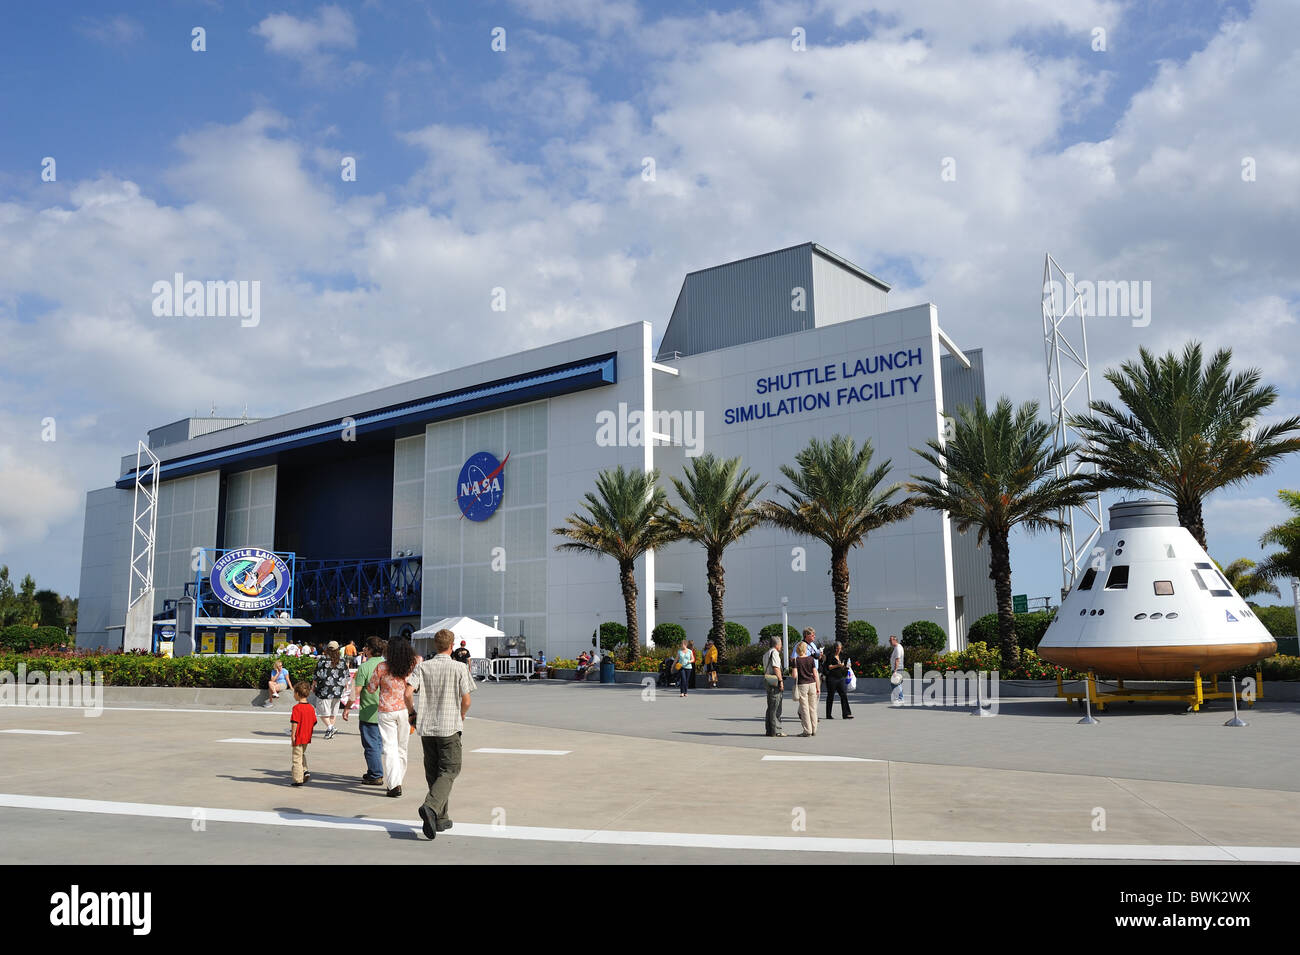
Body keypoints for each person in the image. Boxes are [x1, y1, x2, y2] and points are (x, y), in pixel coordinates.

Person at [407, 628, 474, 840]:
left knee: (434, 772)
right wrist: (461, 715)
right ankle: (431, 806)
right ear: (452, 645)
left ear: (435, 645)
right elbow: (467, 700)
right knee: (450, 770)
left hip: (427, 727)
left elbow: (408, 692)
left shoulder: (423, 666)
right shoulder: (459, 668)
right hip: (449, 726)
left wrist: (412, 713)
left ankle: (441, 818)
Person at [368, 635, 417, 798]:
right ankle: (397, 782)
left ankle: (394, 784)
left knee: (389, 748)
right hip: (404, 710)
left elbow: (371, 688)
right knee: (402, 748)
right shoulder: (410, 666)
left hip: (386, 710)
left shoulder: (381, 667)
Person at [343, 636, 386, 784]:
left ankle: (376, 774)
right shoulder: (387, 665)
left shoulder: (364, 667)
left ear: (370, 650)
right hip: (386, 711)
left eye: (366, 647)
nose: (364, 649)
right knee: (378, 744)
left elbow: (356, 691)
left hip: (369, 713)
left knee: (370, 745)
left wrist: (347, 708)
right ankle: (373, 770)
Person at [312, 641, 350, 739]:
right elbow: (346, 674)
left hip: (325, 689)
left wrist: (313, 685)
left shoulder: (323, 659)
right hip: (338, 689)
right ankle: (330, 730)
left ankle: (330, 727)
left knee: (322, 711)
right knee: (333, 711)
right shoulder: (342, 660)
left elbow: (317, 674)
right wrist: (345, 685)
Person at [289, 681, 317, 786]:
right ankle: (305, 770)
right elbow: (314, 721)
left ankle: (298, 779)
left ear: (297, 694)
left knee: (296, 758)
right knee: (301, 754)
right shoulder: (311, 708)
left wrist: (293, 735)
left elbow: (295, 723)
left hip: (298, 737)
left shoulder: (296, 708)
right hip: (307, 736)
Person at [791, 641, 820, 736]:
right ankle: (814, 729)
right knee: (813, 708)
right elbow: (815, 674)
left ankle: (807, 730)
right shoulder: (811, 659)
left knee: (805, 708)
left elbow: (794, 675)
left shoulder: (796, 660)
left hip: (802, 685)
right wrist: (818, 687)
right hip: (812, 683)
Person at [823, 641, 853, 719]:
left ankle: (846, 713)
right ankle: (828, 714)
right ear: (834, 648)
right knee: (830, 696)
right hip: (831, 678)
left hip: (840, 677)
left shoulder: (842, 655)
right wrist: (837, 665)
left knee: (843, 695)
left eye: (840, 648)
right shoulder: (830, 655)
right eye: (837, 648)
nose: (838, 650)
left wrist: (845, 667)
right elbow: (829, 667)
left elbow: (843, 665)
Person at [762, 637, 786, 737]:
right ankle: (776, 730)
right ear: (777, 644)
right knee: (776, 707)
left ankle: (769, 729)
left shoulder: (766, 654)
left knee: (770, 707)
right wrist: (781, 681)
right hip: (774, 682)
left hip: (768, 681)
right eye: (781, 644)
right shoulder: (775, 653)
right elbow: (776, 668)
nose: (781, 646)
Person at [889, 634, 905, 706]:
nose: (889, 642)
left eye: (890, 640)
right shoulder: (897, 647)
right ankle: (899, 698)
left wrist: (895, 670)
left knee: (896, 684)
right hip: (898, 669)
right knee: (897, 684)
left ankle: (900, 699)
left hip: (898, 669)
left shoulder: (898, 648)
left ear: (895, 640)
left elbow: (897, 659)